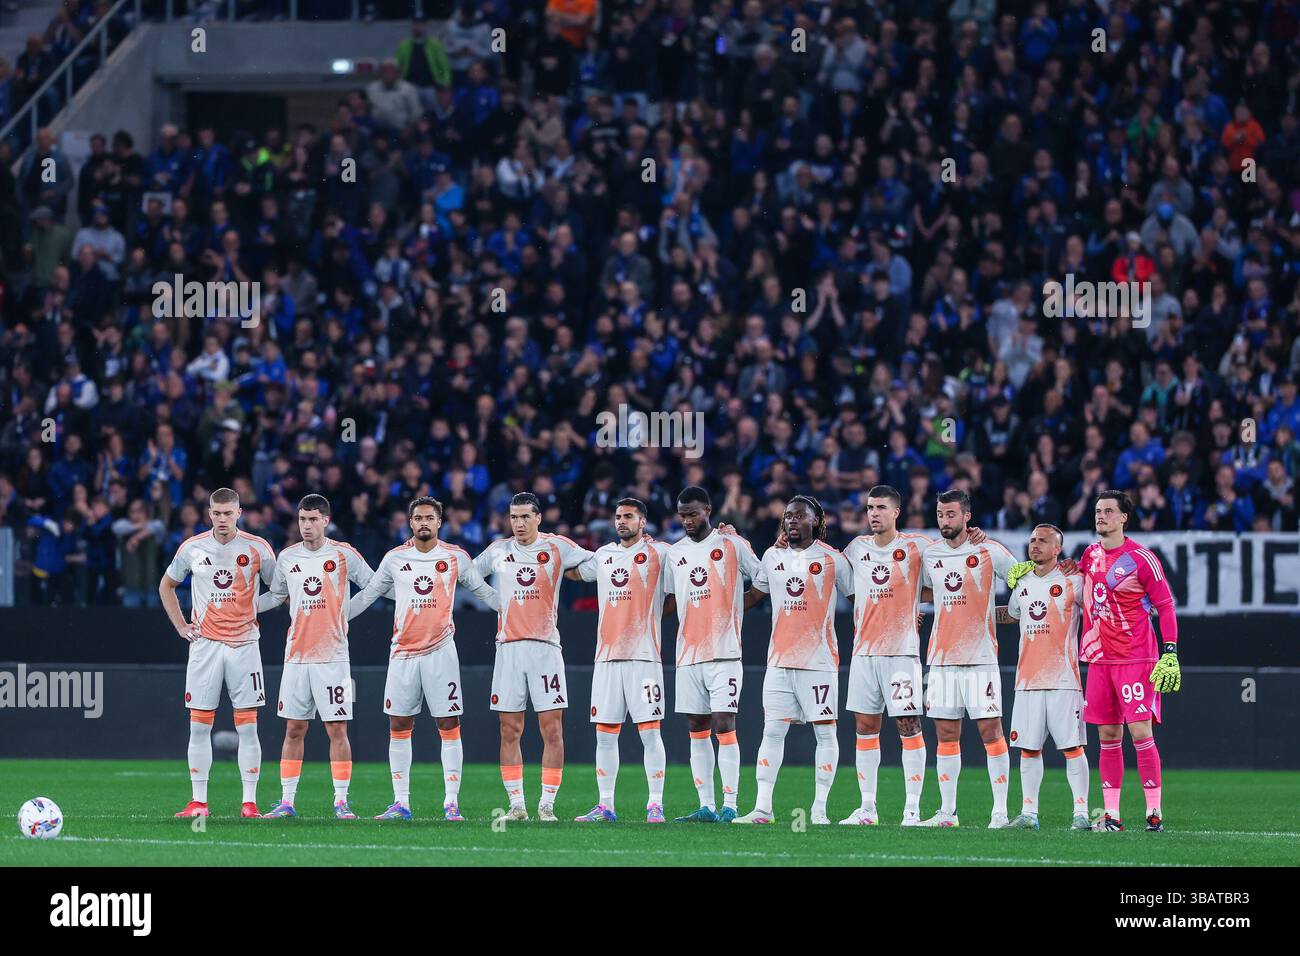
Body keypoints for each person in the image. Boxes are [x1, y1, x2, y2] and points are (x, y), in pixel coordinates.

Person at [473, 492, 593, 821]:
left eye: (526, 516)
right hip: (508, 648)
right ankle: (516, 805)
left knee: (551, 730)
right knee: (509, 729)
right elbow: (467, 574)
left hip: (545, 649)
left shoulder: (557, 547)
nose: (519, 523)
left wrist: (580, 571)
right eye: (514, 517)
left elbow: (596, 564)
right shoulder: (499, 550)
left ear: (538, 518)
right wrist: (494, 599)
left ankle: (547, 805)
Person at [733, 496, 852, 824]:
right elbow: (754, 596)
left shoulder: (832, 559)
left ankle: (819, 810)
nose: (792, 521)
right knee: (771, 731)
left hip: (819, 662)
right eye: (788, 516)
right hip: (779, 661)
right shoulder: (772, 556)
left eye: (800, 516)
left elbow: (860, 598)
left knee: (825, 734)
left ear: (815, 521)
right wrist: (720, 603)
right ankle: (762, 808)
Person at [255, 494, 374, 820]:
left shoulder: (343, 554)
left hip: (335, 658)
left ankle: (341, 802)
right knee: (294, 729)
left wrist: (346, 613)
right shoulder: (287, 557)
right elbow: (276, 595)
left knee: (337, 729)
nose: (306, 526)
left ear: (325, 521)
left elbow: (374, 585)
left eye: (312, 520)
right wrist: (242, 609)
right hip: (296, 657)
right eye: (302, 519)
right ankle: (286, 802)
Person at [160, 487, 276, 819]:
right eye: (217, 513)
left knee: (248, 727)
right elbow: (166, 585)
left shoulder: (258, 548)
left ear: (239, 513)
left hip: (244, 645)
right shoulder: (192, 548)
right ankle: (198, 802)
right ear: (209, 514)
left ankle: (249, 803)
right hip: (205, 645)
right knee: (199, 726)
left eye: (228, 513)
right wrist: (181, 626)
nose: (222, 519)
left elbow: (279, 590)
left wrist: (252, 608)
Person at [565, 498, 673, 823]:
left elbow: (690, 569)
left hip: (644, 659)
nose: (622, 521)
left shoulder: (660, 553)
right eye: (618, 517)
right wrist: (547, 558)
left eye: (628, 516)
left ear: (643, 522)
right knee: (605, 734)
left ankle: (655, 804)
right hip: (607, 658)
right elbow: (574, 573)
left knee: (650, 732)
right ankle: (605, 805)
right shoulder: (603, 555)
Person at [1081, 491, 1180, 832]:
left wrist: (1170, 651)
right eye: (1098, 510)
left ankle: (1154, 812)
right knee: (1108, 734)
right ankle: (1111, 815)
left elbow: (1165, 605)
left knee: (1140, 731)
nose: (1101, 516)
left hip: (1136, 657)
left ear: (1124, 517)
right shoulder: (1090, 555)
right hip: (1100, 659)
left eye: (1109, 511)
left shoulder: (1141, 558)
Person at [997, 524, 1091, 830]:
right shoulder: (1021, 581)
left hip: (1064, 678)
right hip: (1027, 680)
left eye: (1043, 541)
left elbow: (1098, 609)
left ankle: (1081, 813)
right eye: (1032, 540)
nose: (1035, 545)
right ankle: (1029, 813)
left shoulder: (1074, 580)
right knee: (1029, 748)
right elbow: (1013, 614)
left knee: (1072, 747)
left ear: (1057, 549)